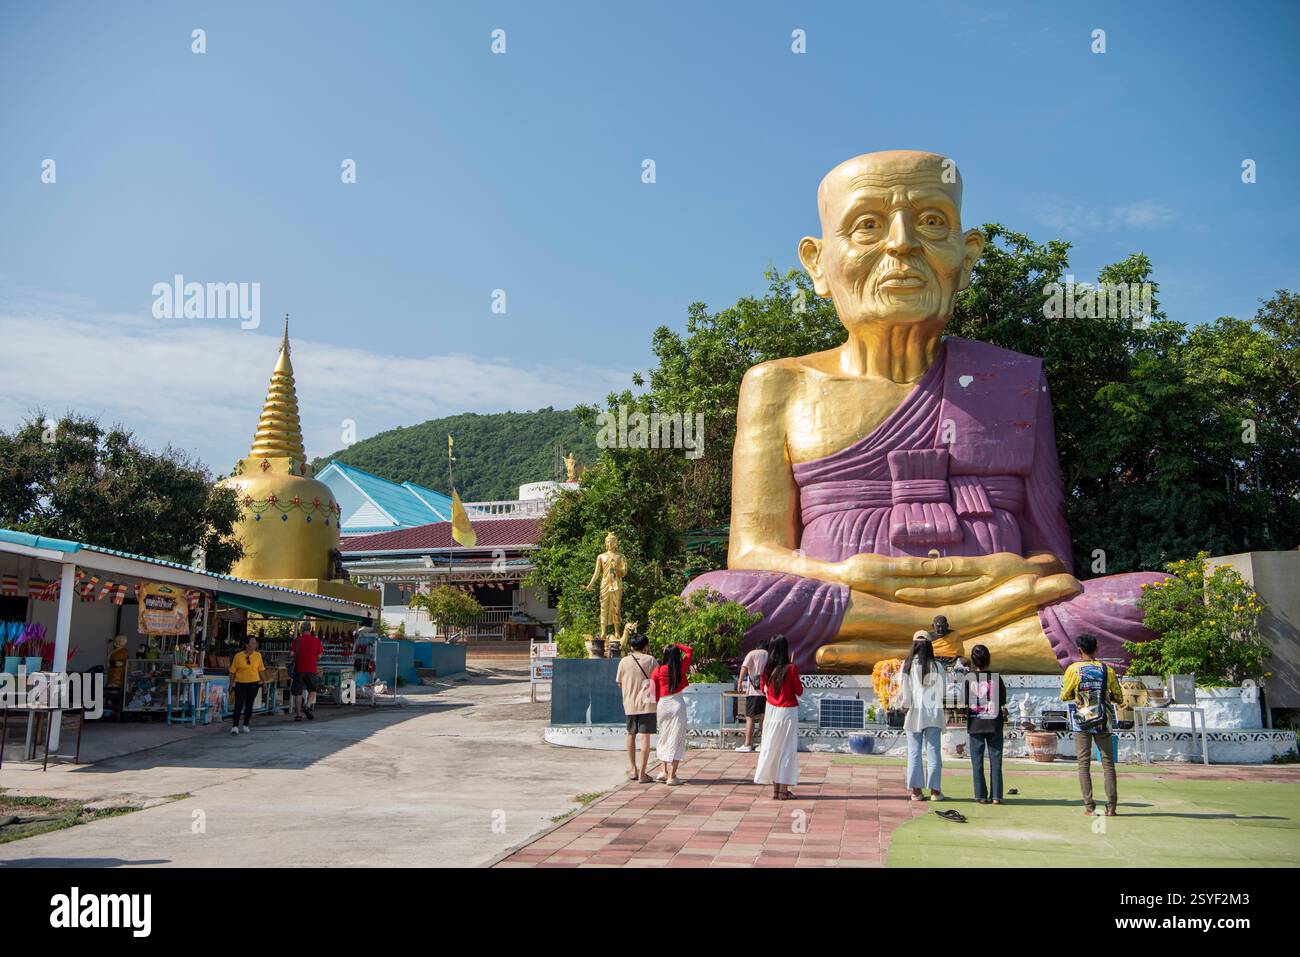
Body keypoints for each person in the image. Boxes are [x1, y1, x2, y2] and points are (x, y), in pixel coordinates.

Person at [1061, 632, 1124, 816]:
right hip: (1103, 721)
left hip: (1082, 721)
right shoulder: (1107, 670)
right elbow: (1118, 697)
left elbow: (1064, 695)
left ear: (1079, 650)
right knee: (1108, 764)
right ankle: (1111, 807)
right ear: (1096, 649)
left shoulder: (1074, 670)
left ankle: (1089, 806)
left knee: (1083, 764)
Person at [897, 631, 947, 801]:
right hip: (933, 713)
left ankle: (916, 791)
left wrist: (903, 706)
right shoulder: (938, 666)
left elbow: (905, 694)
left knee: (914, 752)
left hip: (914, 713)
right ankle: (935, 791)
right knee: (933, 752)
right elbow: (943, 692)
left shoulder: (907, 665)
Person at [754, 635, 803, 799]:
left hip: (771, 711)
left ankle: (777, 791)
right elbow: (799, 691)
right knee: (786, 749)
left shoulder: (767, 669)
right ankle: (783, 791)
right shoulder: (791, 668)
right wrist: (792, 667)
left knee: (773, 748)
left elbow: (763, 689)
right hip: (787, 711)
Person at [965, 644, 1007, 804]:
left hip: (976, 723)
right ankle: (996, 796)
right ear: (988, 659)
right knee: (996, 760)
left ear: (973, 660)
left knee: (977, 761)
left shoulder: (968, 678)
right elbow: (1002, 699)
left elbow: (964, 700)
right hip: (994, 722)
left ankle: (981, 795)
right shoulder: (996, 677)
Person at [615, 633, 658, 782]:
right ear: (645, 646)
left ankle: (633, 769)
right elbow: (656, 680)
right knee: (645, 737)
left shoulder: (623, 661)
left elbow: (619, 682)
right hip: (648, 704)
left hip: (630, 704)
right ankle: (643, 773)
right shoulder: (651, 660)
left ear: (631, 646)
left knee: (630, 734)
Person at [652, 642, 693, 785]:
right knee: (677, 738)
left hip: (662, 704)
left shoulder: (657, 670)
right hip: (677, 703)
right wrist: (675, 645)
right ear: (676, 656)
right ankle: (672, 776)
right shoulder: (680, 668)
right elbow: (689, 651)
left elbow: (653, 692)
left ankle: (663, 771)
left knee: (663, 736)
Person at [735, 638, 769, 752]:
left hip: (753, 691)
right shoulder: (768, 654)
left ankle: (748, 744)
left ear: (757, 646)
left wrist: (740, 682)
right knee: (764, 718)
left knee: (750, 718)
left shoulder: (752, 653)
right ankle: (763, 745)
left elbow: (744, 667)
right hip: (766, 691)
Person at [229, 635, 266, 735]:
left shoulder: (258, 655)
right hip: (240, 683)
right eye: (252, 643)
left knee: (249, 705)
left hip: (253, 683)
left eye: (255, 643)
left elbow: (261, 670)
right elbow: (232, 671)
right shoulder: (238, 656)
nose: (255, 645)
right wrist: (231, 684)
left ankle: (246, 724)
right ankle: (235, 726)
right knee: (238, 704)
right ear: (246, 645)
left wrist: (264, 681)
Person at [291, 627, 323, 722]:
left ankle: (298, 715)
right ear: (310, 630)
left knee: (298, 692)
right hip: (311, 669)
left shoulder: (297, 640)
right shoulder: (316, 640)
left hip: (299, 669)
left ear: (301, 630)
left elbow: (291, 654)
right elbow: (319, 656)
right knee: (313, 690)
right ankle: (307, 706)